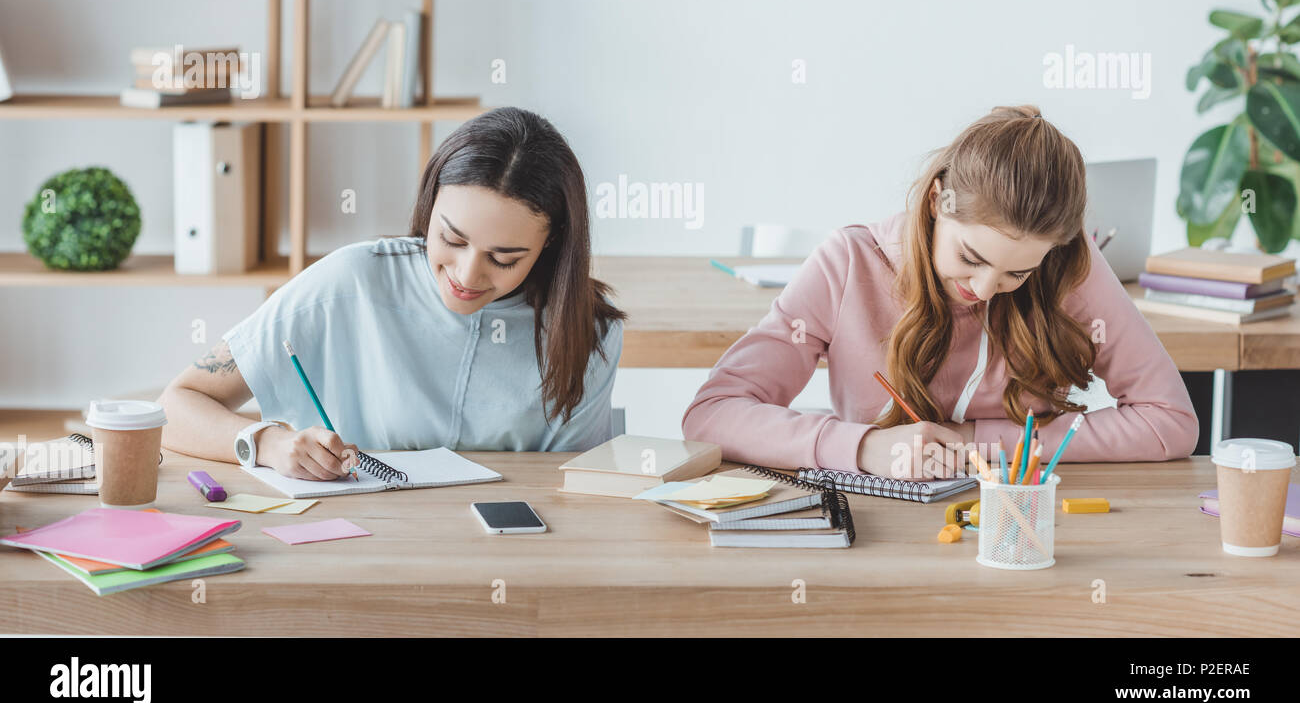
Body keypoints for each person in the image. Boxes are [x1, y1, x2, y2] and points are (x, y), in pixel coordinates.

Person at [682, 104, 1198, 478]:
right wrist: (862, 448)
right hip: (871, 532)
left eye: (1017, 274)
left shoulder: (1067, 268)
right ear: (936, 201)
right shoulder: (851, 262)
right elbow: (712, 414)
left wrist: (983, 442)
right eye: (971, 257)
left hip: (1021, 528)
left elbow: (1171, 421)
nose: (984, 288)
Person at [159, 107, 625, 480]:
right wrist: (266, 443)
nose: (466, 274)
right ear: (430, 202)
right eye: (452, 239)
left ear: (552, 244)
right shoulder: (352, 279)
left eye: (504, 258)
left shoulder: (589, 333)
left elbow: (575, 488)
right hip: (347, 547)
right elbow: (174, 406)